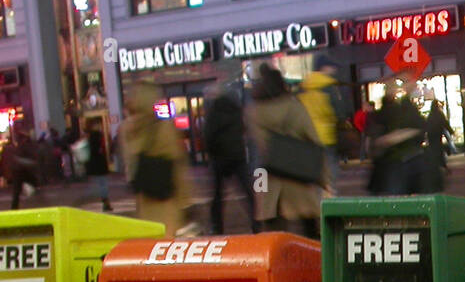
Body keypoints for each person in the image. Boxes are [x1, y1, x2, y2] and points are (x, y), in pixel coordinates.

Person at [249, 62, 326, 238]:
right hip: (297, 170)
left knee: (271, 223)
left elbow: (258, 144)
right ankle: (313, 258)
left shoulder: (253, 111)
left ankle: (277, 259)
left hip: (266, 174)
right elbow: (313, 139)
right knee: (309, 223)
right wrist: (324, 178)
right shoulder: (293, 107)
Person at [120, 80, 193, 236]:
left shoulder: (127, 129)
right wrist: (185, 201)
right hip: (166, 198)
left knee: (150, 243)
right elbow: (177, 168)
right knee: (168, 243)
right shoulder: (165, 127)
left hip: (144, 200)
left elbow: (130, 167)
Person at [204, 71, 258, 234]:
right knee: (248, 192)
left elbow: (209, 136)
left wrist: (211, 154)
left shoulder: (213, 113)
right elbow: (243, 130)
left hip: (220, 158)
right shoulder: (236, 111)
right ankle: (256, 222)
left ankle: (217, 226)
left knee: (218, 197)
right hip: (237, 156)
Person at [299, 54, 349, 192]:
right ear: (324, 67)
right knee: (329, 174)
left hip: (307, 137)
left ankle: (314, 204)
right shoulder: (329, 87)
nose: (334, 70)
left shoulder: (303, 87)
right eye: (331, 67)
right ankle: (329, 204)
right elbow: (340, 113)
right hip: (326, 137)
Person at [369, 83, 427, 196]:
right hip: (401, 158)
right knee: (401, 190)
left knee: (395, 191)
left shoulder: (386, 111)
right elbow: (420, 128)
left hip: (395, 159)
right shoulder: (399, 110)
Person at [6, 127, 43, 211]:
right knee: (32, 184)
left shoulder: (18, 146)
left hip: (19, 170)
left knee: (17, 190)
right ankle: (37, 201)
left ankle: (14, 207)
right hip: (22, 170)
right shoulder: (24, 145)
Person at [83, 117, 113, 212]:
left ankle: (104, 201)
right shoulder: (96, 136)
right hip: (99, 163)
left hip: (94, 163)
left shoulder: (88, 136)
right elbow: (97, 150)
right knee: (102, 183)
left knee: (100, 183)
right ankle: (105, 202)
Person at [424, 100, 454, 191]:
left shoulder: (430, 115)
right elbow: (445, 123)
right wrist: (450, 131)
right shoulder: (439, 114)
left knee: (434, 150)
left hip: (431, 136)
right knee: (438, 150)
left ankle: (439, 165)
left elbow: (427, 125)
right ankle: (442, 165)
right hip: (437, 135)